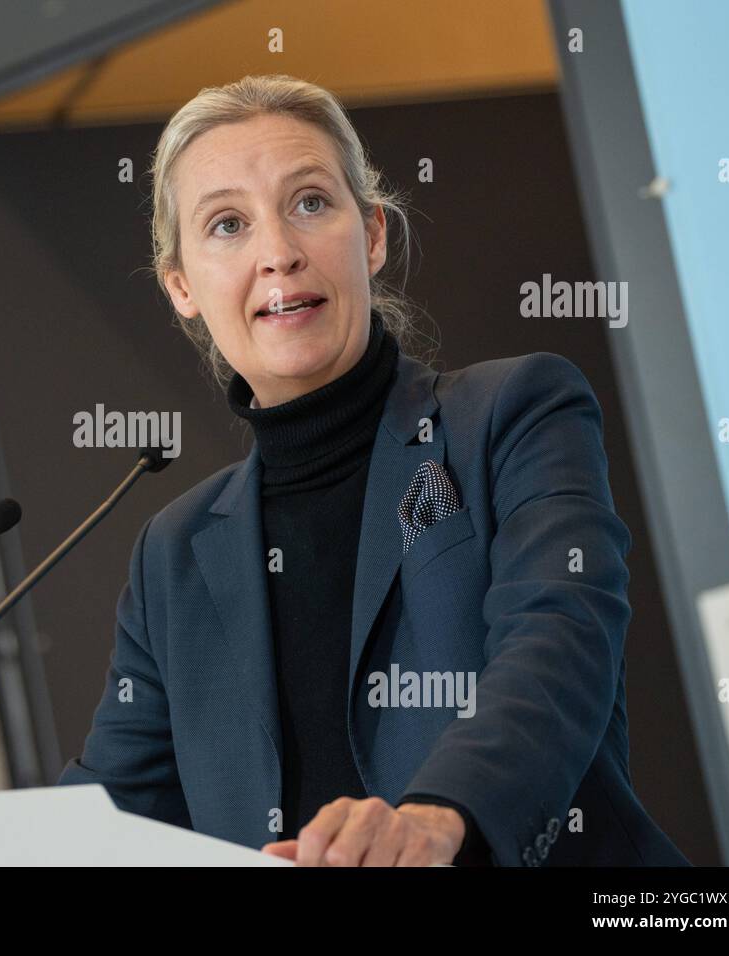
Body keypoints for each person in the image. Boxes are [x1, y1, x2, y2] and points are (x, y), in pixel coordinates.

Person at [57, 73, 689, 867]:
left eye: (312, 203)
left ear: (374, 233)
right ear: (181, 285)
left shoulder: (513, 412)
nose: (279, 253)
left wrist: (435, 816)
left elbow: (558, 642)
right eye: (227, 224)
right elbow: (106, 812)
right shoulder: (173, 552)